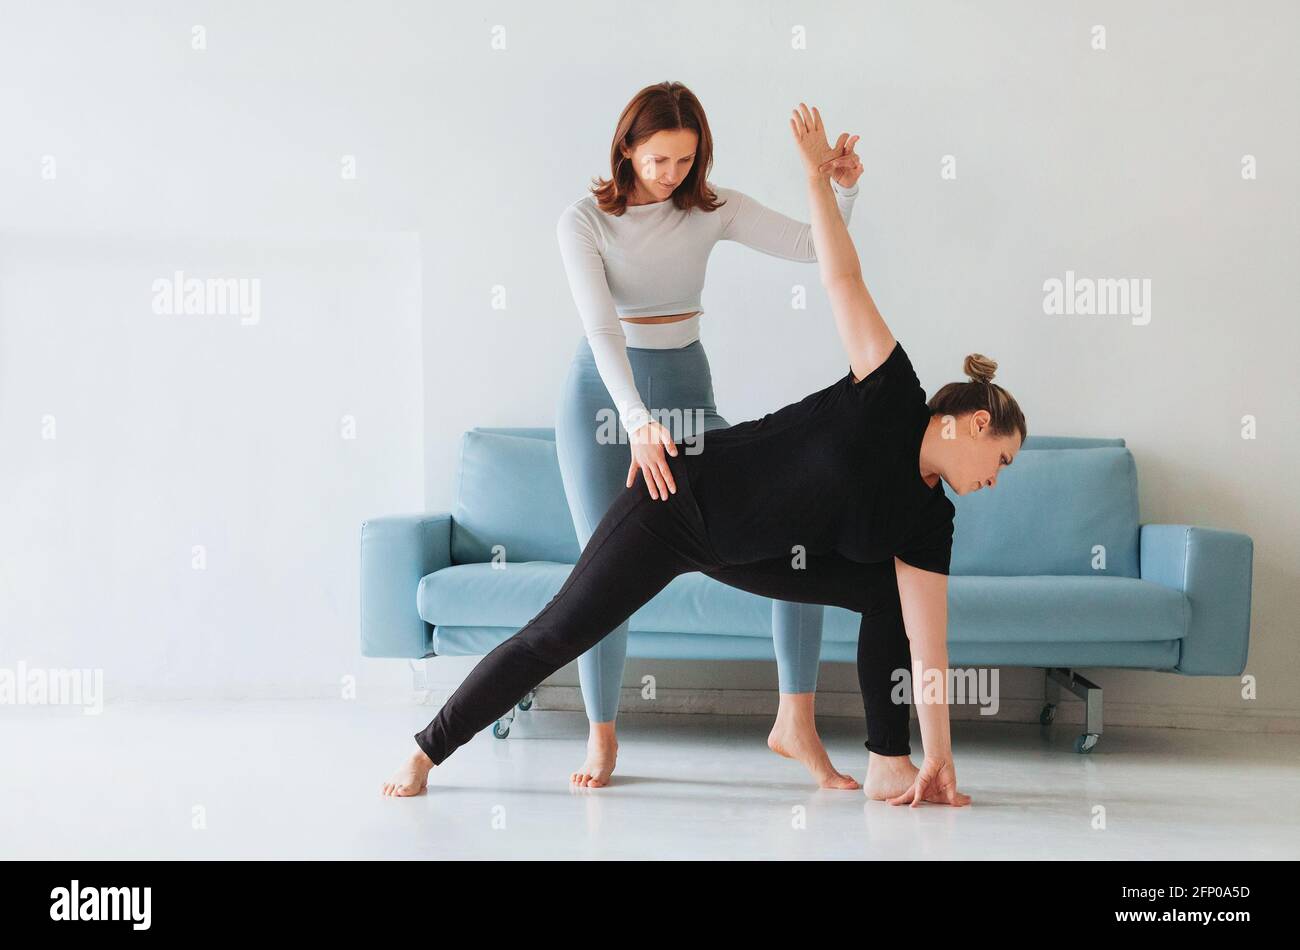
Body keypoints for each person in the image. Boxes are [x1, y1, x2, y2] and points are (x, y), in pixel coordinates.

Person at [384, 103, 1027, 806]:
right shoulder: (890, 390)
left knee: (886, 595)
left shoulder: (931, 519)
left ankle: (887, 761)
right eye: (1002, 460)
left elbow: (929, 647)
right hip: (679, 501)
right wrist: (819, 177)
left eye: (685, 160)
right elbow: (840, 276)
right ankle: (427, 749)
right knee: (558, 632)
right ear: (967, 423)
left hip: (750, 549)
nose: (997, 480)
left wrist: (941, 759)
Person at [555, 80, 864, 788]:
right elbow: (603, 331)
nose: (672, 176)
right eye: (659, 159)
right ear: (627, 148)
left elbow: (816, 248)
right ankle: (602, 736)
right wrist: (636, 422)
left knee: (792, 537)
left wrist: (837, 190)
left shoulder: (710, 206)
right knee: (603, 573)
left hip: (688, 389)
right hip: (604, 398)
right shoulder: (583, 221)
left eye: (686, 161)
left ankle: (797, 723)